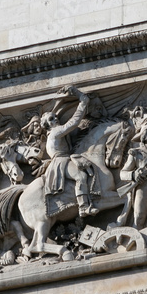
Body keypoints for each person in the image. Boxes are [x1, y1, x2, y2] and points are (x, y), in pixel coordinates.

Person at [41, 86, 98, 217]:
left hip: (65, 159)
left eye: (55, 117)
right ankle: (84, 207)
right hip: (61, 161)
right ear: (46, 125)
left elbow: (76, 131)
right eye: (51, 119)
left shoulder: (58, 133)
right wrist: (83, 102)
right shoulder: (55, 132)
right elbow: (72, 123)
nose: (55, 119)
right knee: (81, 176)